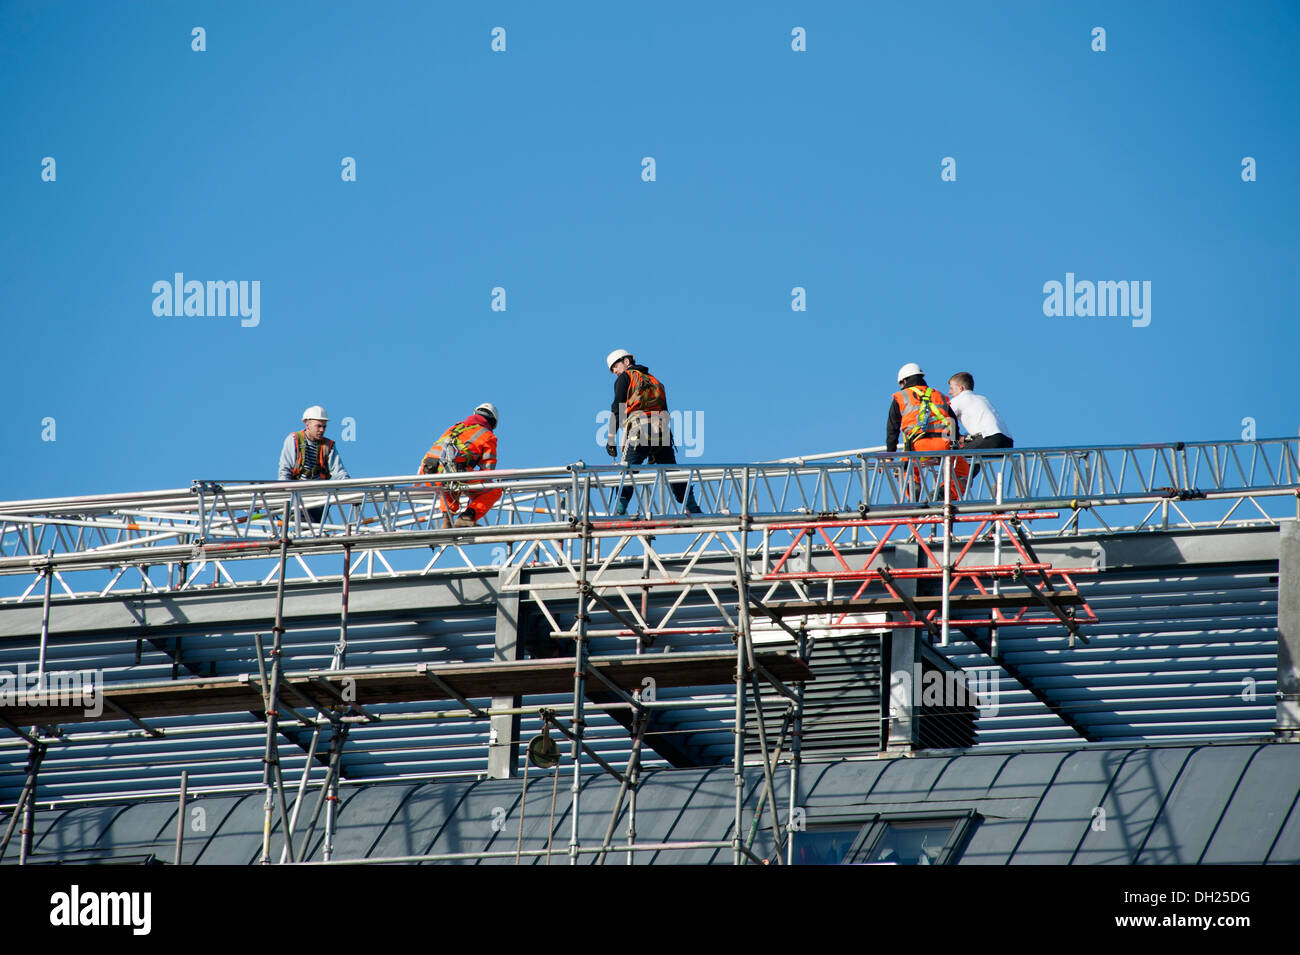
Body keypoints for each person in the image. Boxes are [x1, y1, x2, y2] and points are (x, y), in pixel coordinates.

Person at [604, 349, 701, 516]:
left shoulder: (625, 378)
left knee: (627, 470)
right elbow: (665, 411)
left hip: (639, 430)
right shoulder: (655, 381)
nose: (615, 372)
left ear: (626, 361)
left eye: (615, 367)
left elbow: (617, 408)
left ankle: (620, 510)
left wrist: (611, 438)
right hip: (662, 431)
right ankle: (692, 507)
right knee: (671, 470)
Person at [885, 363, 968, 500]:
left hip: (917, 447)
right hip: (944, 445)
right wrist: (955, 444)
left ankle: (913, 487)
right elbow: (953, 421)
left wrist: (889, 456)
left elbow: (892, 430)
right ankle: (943, 494)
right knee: (963, 470)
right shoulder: (939, 395)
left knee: (905, 467)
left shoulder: (901, 397)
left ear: (904, 381)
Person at [420, 402, 501, 529]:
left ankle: (447, 521)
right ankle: (467, 517)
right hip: (454, 474)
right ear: (493, 422)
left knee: (449, 482)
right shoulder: (487, 435)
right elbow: (488, 471)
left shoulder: (454, 428)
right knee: (494, 489)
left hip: (429, 474)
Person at [278, 406, 349, 481]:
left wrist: (349, 488)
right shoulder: (294, 440)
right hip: (297, 489)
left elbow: (339, 473)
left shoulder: (328, 445)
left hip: (320, 490)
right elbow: (285, 471)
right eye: (318, 426)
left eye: (324, 427)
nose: (322, 430)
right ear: (308, 425)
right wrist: (285, 490)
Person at [947, 372, 1014, 450]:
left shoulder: (959, 399)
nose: (949, 392)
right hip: (1007, 442)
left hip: (989, 438)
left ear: (961, 388)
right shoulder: (982, 398)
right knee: (971, 457)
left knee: (954, 455)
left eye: (951, 388)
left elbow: (943, 419)